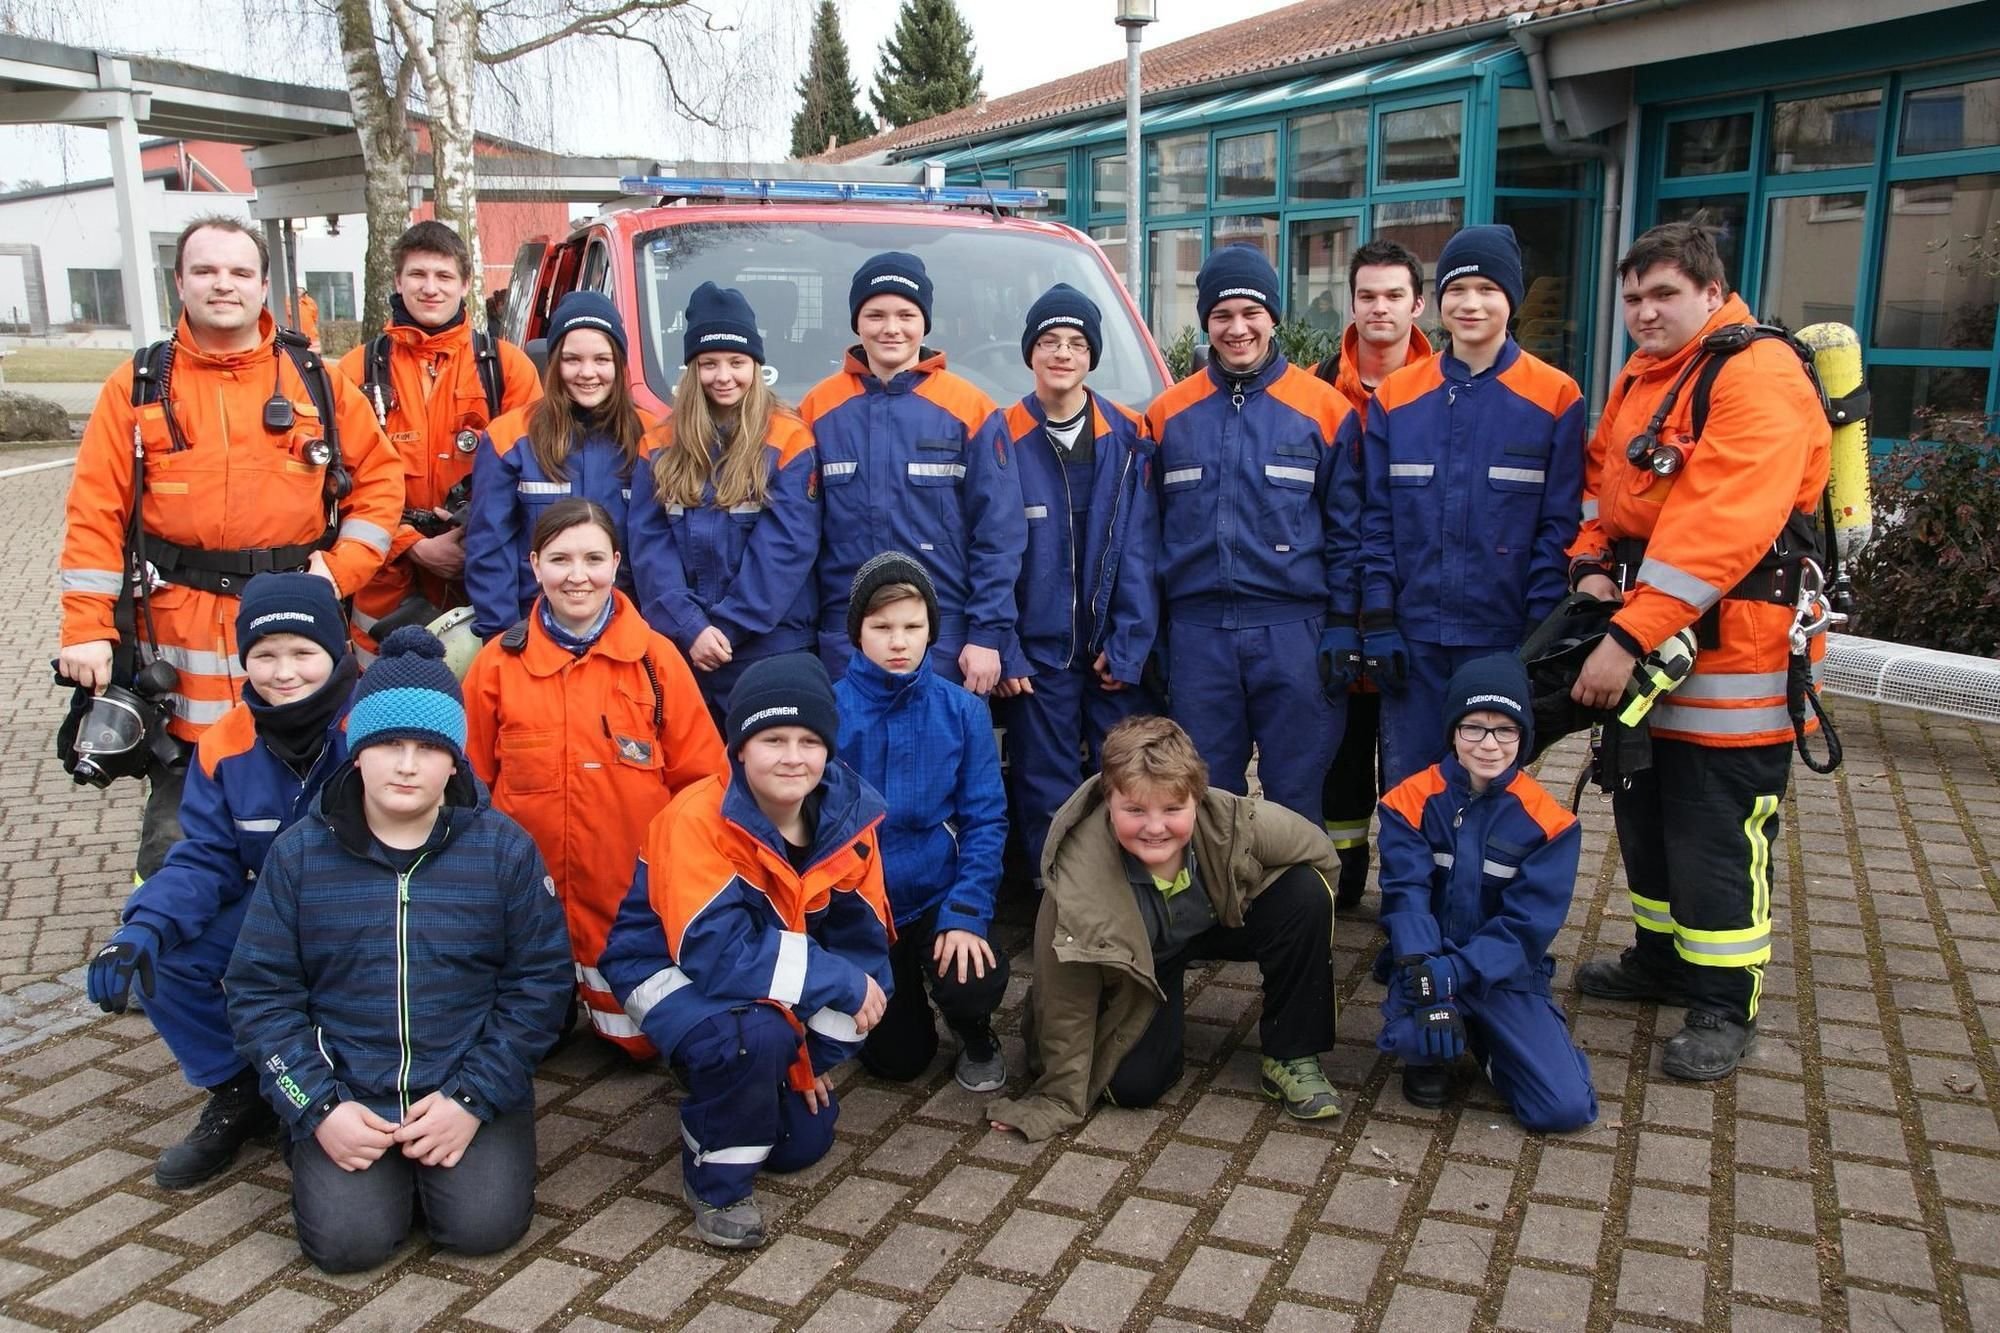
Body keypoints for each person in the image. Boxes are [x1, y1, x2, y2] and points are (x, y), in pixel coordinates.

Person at [57, 215, 401, 880]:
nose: (224, 284)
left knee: (320, 815)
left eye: (241, 272)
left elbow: (381, 483)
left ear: (265, 285)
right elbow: (96, 512)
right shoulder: (136, 388)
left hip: (295, 637)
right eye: (207, 270)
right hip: (179, 652)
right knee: (180, 837)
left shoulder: (317, 383)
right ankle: (168, 962)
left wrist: (336, 570)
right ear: (179, 281)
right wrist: (86, 629)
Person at [1566, 220, 1831, 1080]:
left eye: (1663, 295)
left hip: (1732, 658)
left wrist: (1622, 637)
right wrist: (1592, 564)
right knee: (1645, 810)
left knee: (1714, 829)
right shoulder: (1648, 376)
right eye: (1634, 297)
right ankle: (1662, 958)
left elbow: (1717, 529)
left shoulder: (1757, 377)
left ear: (1714, 294)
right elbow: (1606, 482)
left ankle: (1723, 1000)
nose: (1644, 311)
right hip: (1656, 638)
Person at [225, 626, 571, 1274]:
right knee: (346, 1245)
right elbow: (258, 991)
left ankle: (460, 1149)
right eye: (387, 743)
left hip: (463, 1081)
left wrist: (473, 1098)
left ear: (456, 760)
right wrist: (318, 1107)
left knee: (482, 1226)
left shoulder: (503, 850)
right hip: (348, 1088)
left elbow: (541, 984)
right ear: (356, 752)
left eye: (428, 747)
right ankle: (330, 1152)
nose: (407, 763)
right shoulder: (300, 854)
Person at [597, 654, 894, 1250]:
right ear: (738, 749)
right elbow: (715, 953)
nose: (792, 756)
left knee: (800, 1144)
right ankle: (715, 1183)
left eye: (810, 739)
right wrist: (813, 1003)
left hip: (762, 985)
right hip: (666, 967)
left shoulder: (849, 821)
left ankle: (760, 1073)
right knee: (750, 1039)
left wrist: (807, 1059)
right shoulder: (695, 820)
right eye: (772, 738)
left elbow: (864, 947)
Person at [84, 574, 358, 1189]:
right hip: (273, 907)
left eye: (302, 652)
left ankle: (335, 1073)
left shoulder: (375, 728)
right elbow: (205, 857)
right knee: (168, 955)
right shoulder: (224, 742)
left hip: (370, 911)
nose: (283, 672)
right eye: (264, 654)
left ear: (337, 651)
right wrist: (143, 925)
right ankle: (238, 1086)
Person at [987, 716, 1342, 1141]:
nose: (1155, 828)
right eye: (1135, 810)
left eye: (1173, 809)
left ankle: (1293, 1052)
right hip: (1144, 965)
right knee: (1131, 1087)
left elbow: (1321, 858)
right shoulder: (1076, 885)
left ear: (1198, 798)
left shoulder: (1230, 818)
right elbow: (1066, 999)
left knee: (1305, 894)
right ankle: (1159, 1020)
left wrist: (1286, 935)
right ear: (1108, 800)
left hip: (1211, 920)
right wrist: (1056, 1099)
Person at [464, 499, 725, 1057]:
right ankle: (547, 1004)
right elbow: (468, 786)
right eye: (559, 559)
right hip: (527, 907)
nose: (576, 576)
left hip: (626, 908)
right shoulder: (495, 666)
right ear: (534, 565)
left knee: (641, 1049)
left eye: (592, 558)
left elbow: (703, 783)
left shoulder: (657, 662)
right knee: (530, 1041)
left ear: (616, 562)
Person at [1352, 224, 1584, 788]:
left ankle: (1480, 881)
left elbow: (1559, 527)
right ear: (1438, 302)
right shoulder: (1398, 397)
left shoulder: (1555, 398)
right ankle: (1411, 880)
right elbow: (1376, 520)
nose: (1471, 303)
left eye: (1487, 289)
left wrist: (1536, 637)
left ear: (1512, 299)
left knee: (1489, 785)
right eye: (1458, 289)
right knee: (1410, 788)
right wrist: (1379, 619)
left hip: (1500, 637)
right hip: (1413, 638)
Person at [1147, 244, 1357, 822]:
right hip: (1198, 637)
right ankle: (1217, 910)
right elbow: (1145, 536)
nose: (1237, 329)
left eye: (1251, 313)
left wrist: (1343, 623)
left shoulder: (1326, 411)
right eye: (1222, 315)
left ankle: (1300, 909)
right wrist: (1154, 630)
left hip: (1295, 634)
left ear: (1273, 318)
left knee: (1296, 794)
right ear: (1205, 321)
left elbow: (1348, 531)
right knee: (1206, 797)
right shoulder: (1167, 415)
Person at [1375, 654, 1596, 1130]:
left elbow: (1527, 928)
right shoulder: (1407, 802)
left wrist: (1460, 972)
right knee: (1415, 1039)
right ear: (1453, 731)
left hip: (1504, 974)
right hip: (1429, 962)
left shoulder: (1552, 824)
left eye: (1505, 729)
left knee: (1564, 1109)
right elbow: (1405, 894)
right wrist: (1423, 974)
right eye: (1474, 727)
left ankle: (1490, 1043)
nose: (1489, 745)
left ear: (1524, 736)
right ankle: (1437, 1051)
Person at [798, 251, 1026, 689]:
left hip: (944, 637)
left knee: (942, 754)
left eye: (906, 314)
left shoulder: (971, 409)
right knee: (848, 758)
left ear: (925, 322)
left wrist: (986, 635)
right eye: (875, 314)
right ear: (856, 323)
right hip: (845, 636)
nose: (891, 328)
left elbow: (999, 535)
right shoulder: (817, 409)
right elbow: (797, 536)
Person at [997, 283, 1159, 882]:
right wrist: (1005, 643)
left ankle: (1132, 884)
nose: (1061, 353)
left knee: (1129, 772)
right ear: (1030, 354)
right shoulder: (1001, 436)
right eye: (1047, 341)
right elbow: (991, 554)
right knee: (1046, 779)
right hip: (1039, 653)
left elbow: (1143, 548)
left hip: (1111, 650)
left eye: (1075, 342)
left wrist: (1132, 644)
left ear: (1091, 357)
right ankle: (1057, 895)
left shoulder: (1130, 435)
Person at [834, 552, 1009, 1092]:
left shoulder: (963, 711)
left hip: (938, 889)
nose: (898, 641)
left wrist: (966, 911)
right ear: (857, 632)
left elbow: (986, 821)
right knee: (898, 1062)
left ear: (931, 629)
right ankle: (886, 1000)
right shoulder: (830, 710)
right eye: (881, 627)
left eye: (913, 626)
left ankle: (975, 1030)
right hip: (866, 903)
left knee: (972, 975)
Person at [337, 221, 540, 663]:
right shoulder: (356, 373)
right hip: (385, 589)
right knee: (388, 723)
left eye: (444, 276)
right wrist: (412, 544)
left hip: (483, 581)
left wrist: (473, 540)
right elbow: (341, 486)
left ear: (466, 284)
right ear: (397, 280)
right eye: (418, 275)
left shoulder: (506, 369)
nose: (431, 288)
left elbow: (534, 478)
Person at [630, 283, 820, 721]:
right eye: (709, 363)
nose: (724, 376)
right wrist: (690, 628)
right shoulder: (659, 444)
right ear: (692, 369)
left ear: (756, 365)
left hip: (770, 649)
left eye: (737, 362)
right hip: (685, 650)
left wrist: (726, 628)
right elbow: (648, 547)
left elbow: (786, 551)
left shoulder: (789, 438)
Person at [1314, 239, 1434, 909]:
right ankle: (1342, 873)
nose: (1379, 308)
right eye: (1367, 296)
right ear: (1351, 303)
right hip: (1336, 608)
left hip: (1412, 609)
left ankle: (1411, 888)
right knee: (1340, 753)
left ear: (1418, 304)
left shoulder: (1445, 388)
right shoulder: (1313, 386)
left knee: (1415, 757)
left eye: (1394, 295)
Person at [465, 290, 662, 640]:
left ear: (619, 363)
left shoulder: (653, 439)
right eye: (572, 360)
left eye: (601, 359)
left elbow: (664, 550)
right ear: (554, 363)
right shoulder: (508, 439)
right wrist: (504, 637)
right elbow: (489, 551)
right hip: (535, 630)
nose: (588, 373)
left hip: (628, 631)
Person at [296, 285, 320, 351]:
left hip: (312, 337)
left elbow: (315, 317)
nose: (298, 290)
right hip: (297, 336)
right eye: (297, 288)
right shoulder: (289, 301)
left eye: (300, 288)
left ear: (304, 290)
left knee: (315, 357)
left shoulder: (310, 302)